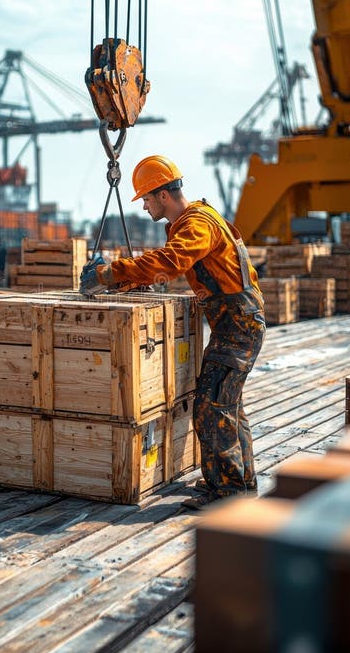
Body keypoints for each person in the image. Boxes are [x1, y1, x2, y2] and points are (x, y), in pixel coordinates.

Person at [80, 154, 266, 509]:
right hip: (238, 322)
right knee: (228, 404)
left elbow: (171, 261)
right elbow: (181, 268)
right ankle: (240, 482)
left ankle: (227, 494)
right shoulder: (201, 218)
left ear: (164, 195)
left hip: (237, 327)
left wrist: (111, 273)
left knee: (211, 407)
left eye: (147, 198)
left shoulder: (196, 224)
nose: (145, 205)